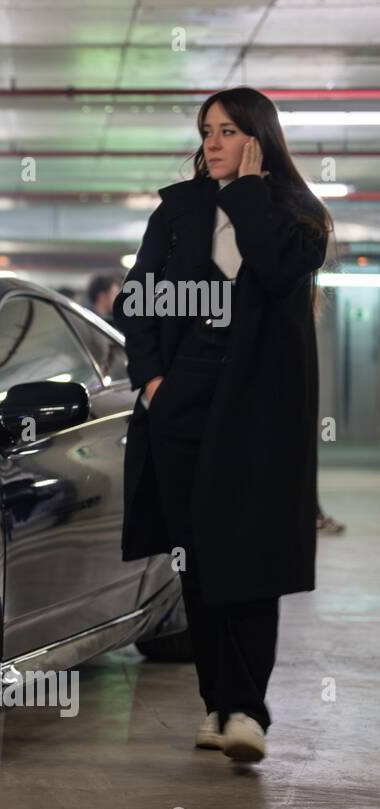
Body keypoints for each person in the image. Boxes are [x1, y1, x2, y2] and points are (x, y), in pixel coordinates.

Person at [115, 86, 331, 764]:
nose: (212, 142)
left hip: (258, 412)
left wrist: (246, 192)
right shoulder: (179, 210)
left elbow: (272, 271)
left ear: (259, 141)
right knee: (199, 562)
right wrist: (154, 385)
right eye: (206, 129)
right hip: (183, 401)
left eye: (229, 130)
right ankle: (217, 703)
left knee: (251, 559)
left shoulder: (297, 217)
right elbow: (138, 303)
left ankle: (247, 710)